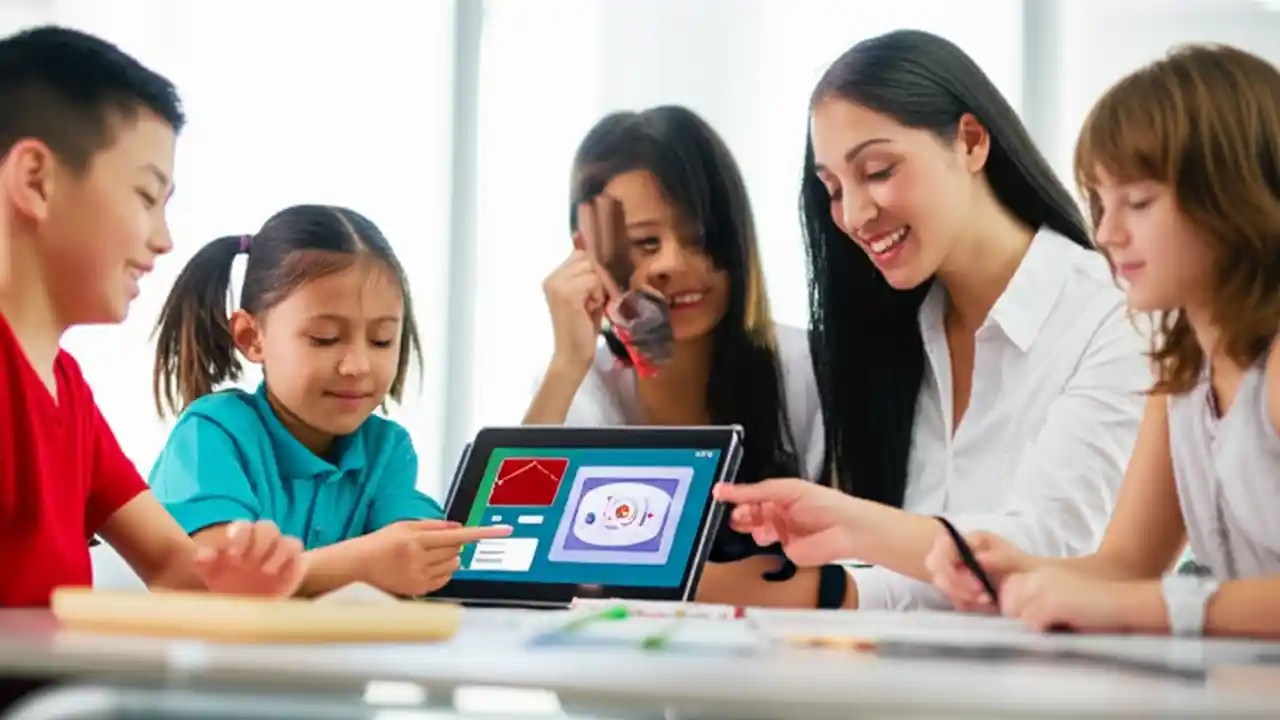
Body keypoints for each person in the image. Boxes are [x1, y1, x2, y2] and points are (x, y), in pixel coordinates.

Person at [714, 29, 1149, 610]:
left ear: (970, 142)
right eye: (833, 188)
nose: (853, 215)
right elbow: (923, 584)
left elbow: (1052, 548)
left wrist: (852, 530)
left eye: (877, 170)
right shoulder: (890, 337)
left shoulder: (1113, 318)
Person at [925, 44, 1280, 638]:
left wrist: (1154, 609)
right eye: (1099, 202)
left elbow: (1134, 598)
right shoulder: (1184, 376)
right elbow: (1125, 566)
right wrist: (1012, 572)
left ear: (1233, 197)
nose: (1108, 233)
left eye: (1138, 202)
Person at [0, 25, 304, 608]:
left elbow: (173, 563)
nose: (164, 241)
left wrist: (242, 575)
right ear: (37, 180)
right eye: (145, 197)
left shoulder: (67, 392)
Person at [524, 106, 825, 606]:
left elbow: (843, 577)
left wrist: (609, 579)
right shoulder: (576, 384)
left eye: (701, 238)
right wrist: (566, 365)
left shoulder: (808, 371)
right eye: (644, 243)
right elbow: (511, 562)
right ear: (586, 252)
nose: (672, 264)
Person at [148, 204, 511, 597]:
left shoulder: (386, 450)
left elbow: (408, 536)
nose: (357, 365)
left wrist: (426, 546)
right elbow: (219, 580)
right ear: (253, 338)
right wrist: (362, 564)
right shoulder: (211, 434)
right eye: (324, 338)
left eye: (381, 340)